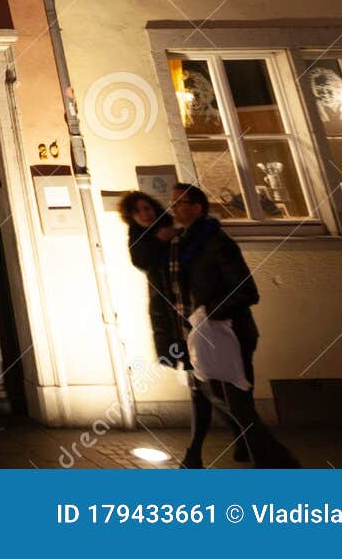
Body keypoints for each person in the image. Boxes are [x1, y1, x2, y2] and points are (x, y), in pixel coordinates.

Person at [168, 184, 300, 468]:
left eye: (180, 202)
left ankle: (279, 466)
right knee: (221, 399)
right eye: (173, 203)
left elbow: (247, 291)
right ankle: (252, 455)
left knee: (239, 404)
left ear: (198, 207)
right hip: (205, 335)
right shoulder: (185, 244)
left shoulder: (217, 243)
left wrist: (208, 312)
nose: (174, 208)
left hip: (231, 333)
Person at [118, 191, 182, 364]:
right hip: (162, 294)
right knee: (174, 341)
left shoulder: (171, 223)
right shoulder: (137, 235)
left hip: (185, 292)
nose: (144, 214)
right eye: (137, 211)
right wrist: (158, 240)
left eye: (147, 208)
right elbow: (140, 261)